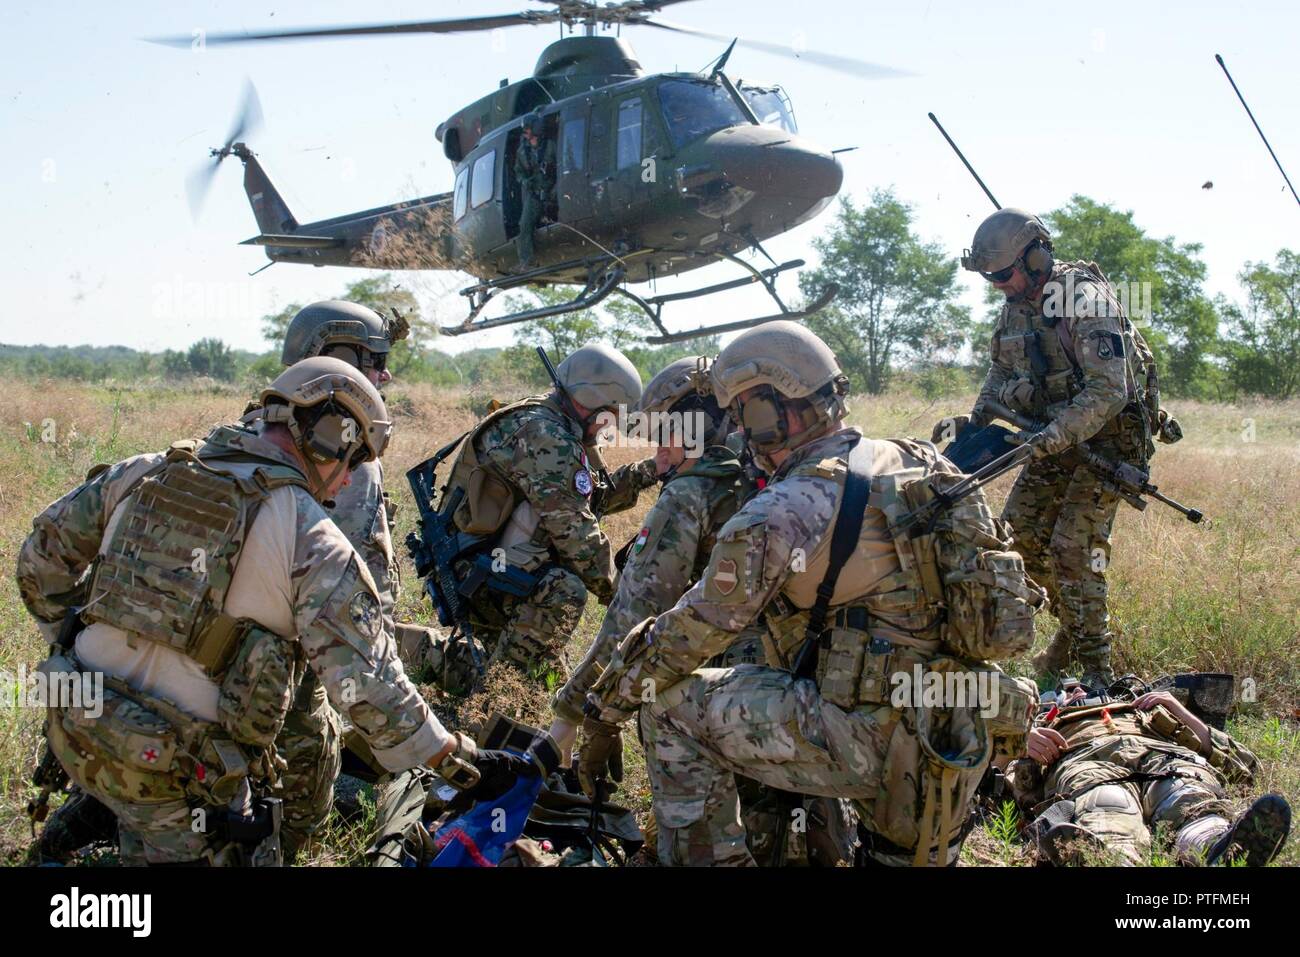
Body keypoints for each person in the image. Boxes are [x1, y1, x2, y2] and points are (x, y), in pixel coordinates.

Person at [19, 357, 553, 865]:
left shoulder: (143, 472)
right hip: (176, 773)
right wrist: (460, 759)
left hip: (75, 724)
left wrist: (77, 641)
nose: (349, 481)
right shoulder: (313, 541)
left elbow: (39, 564)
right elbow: (369, 690)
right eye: (358, 459)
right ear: (331, 439)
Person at [576, 321, 1044, 866]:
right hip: (951, 737)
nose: (742, 433)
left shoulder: (789, 505)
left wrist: (602, 712)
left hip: (868, 740)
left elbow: (688, 632)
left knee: (669, 707)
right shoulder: (919, 461)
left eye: (746, 413)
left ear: (775, 412)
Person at [948, 208, 1174, 690]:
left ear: (1034, 257)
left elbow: (1109, 390)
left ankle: (1098, 675)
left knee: (1073, 549)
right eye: (989, 277)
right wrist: (976, 423)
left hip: (1110, 443)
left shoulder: (1083, 301)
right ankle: (1072, 637)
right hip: (1052, 439)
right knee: (1019, 542)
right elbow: (1002, 371)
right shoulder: (1017, 303)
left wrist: (1048, 438)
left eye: (1004, 274)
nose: (998, 285)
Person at [432, 343, 657, 680]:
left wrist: (653, 470)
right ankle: (498, 699)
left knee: (548, 680)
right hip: (474, 573)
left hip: (489, 563)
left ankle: (478, 671)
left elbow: (591, 497)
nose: (611, 426)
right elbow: (576, 537)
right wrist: (626, 599)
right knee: (564, 590)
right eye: (612, 414)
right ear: (595, 401)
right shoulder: (546, 436)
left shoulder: (556, 424)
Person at [1005, 685, 1291, 866]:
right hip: (1085, 758)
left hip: (1164, 753)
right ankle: (1112, 857)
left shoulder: (1151, 711)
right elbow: (990, 770)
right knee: (1107, 802)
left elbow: (1245, 766)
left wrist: (1178, 710)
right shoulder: (1040, 724)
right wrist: (1020, 738)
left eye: (1087, 688)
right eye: (1068, 692)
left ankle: (1215, 847)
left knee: (1186, 790)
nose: (1079, 690)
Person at [514, 110, 555, 271]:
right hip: (535, 193)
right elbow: (518, 172)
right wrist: (525, 181)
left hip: (553, 189)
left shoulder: (550, 146)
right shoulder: (522, 151)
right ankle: (527, 261)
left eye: (528, 128)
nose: (526, 132)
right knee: (524, 225)